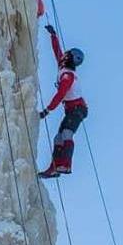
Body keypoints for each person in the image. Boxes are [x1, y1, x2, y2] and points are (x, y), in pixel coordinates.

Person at [38, 25, 88, 178]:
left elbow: (60, 94)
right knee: (58, 137)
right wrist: (53, 36)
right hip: (73, 109)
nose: (64, 55)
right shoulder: (64, 68)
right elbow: (57, 51)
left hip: (77, 109)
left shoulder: (68, 76)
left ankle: (65, 164)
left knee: (66, 133)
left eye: (68, 55)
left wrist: (47, 110)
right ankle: (54, 167)